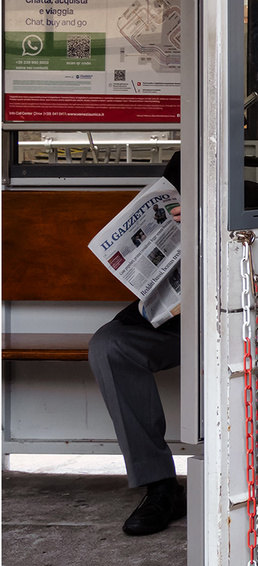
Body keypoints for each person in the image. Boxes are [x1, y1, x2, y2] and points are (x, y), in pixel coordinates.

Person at [89, 151, 185, 537]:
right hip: (171, 320)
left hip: (233, 319)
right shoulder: (183, 165)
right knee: (108, 346)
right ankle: (161, 486)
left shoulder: (250, 182)